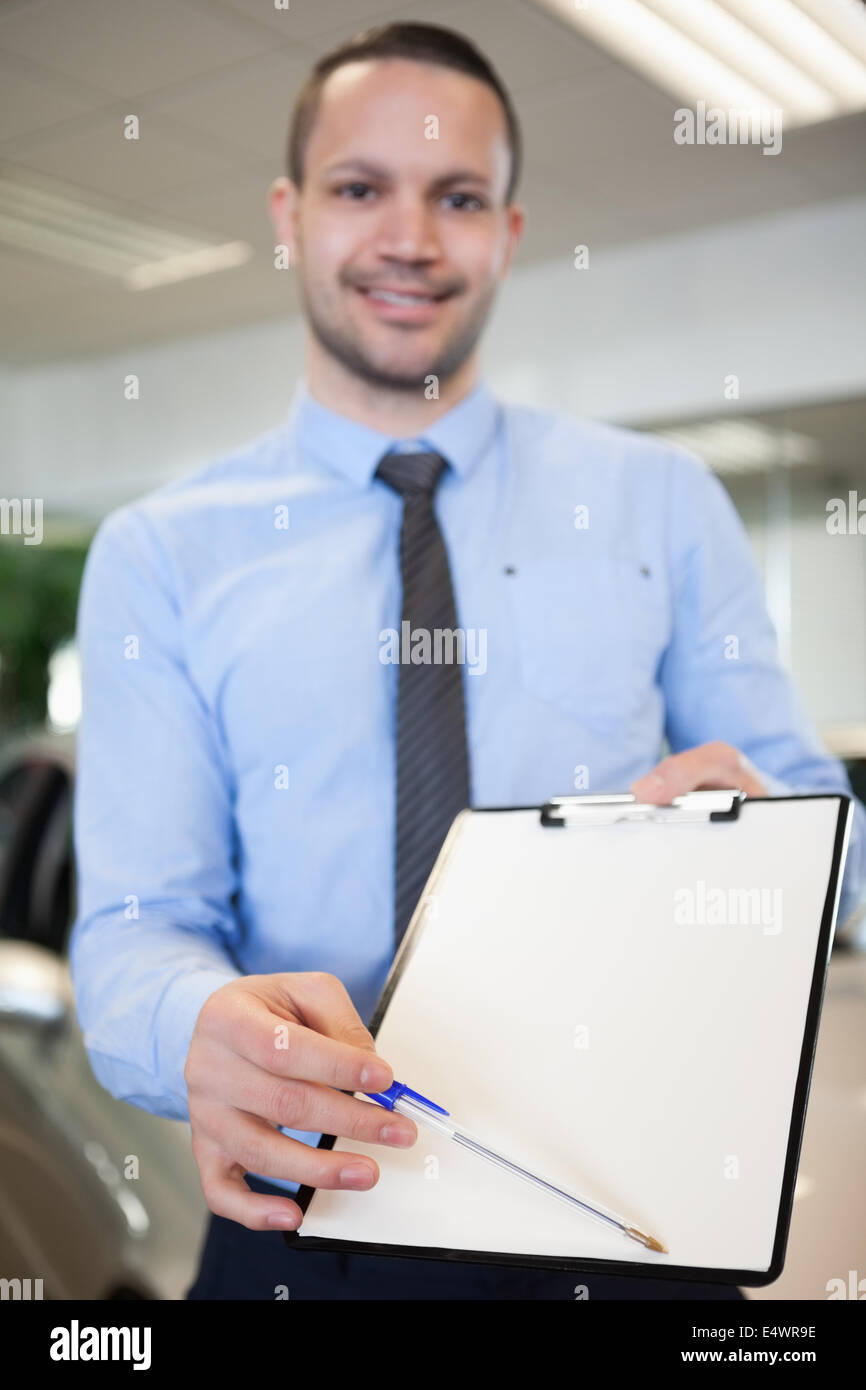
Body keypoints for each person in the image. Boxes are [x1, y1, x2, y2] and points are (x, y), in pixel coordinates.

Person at [70, 22, 864, 1301]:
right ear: (289, 214)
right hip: (303, 1210)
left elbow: (838, 850)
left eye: (456, 197)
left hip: (625, 1197)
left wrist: (772, 850)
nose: (408, 238)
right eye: (357, 188)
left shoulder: (660, 502)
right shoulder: (160, 554)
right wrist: (188, 1029)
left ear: (508, 227)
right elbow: (135, 931)